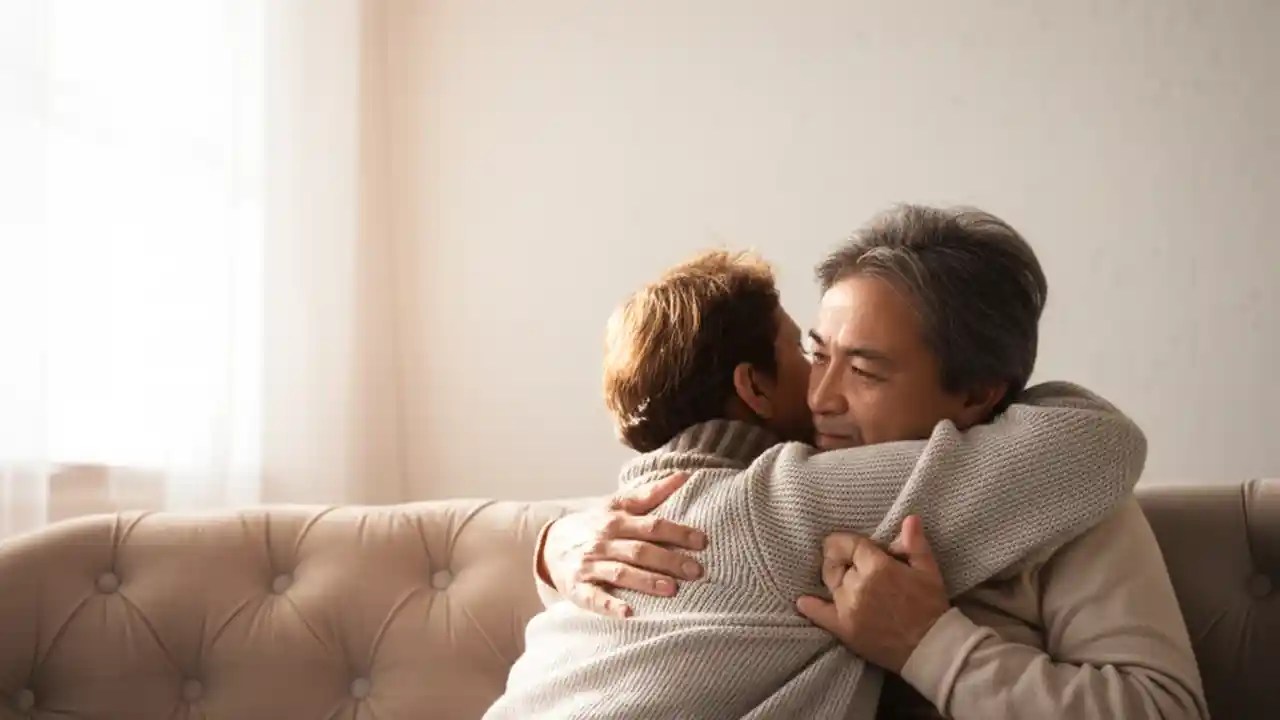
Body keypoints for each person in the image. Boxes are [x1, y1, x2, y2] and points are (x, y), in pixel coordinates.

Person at [530, 205, 1209, 719]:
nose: (820, 397)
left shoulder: (1067, 495)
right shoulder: (768, 484)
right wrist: (557, 548)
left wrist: (931, 645)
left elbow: (1165, 708)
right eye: (817, 354)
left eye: (865, 372)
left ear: (976, 395)